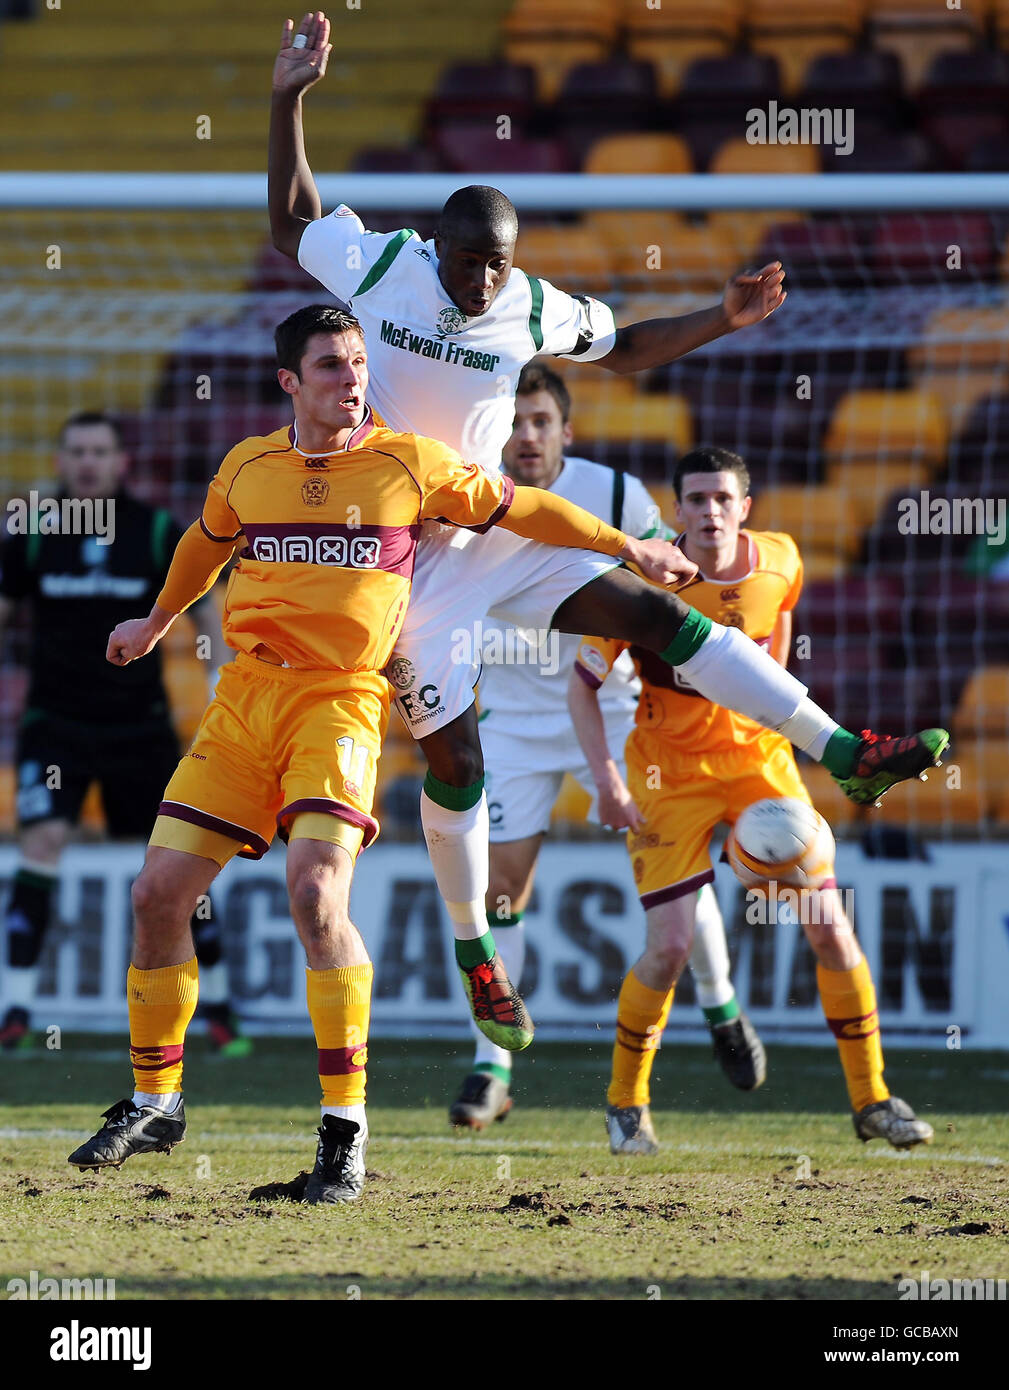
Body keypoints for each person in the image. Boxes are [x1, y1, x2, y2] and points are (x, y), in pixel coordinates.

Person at [268, 14, 949, 1007]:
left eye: (496, 265)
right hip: (408, 559)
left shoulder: (531, 305)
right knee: (454, 759)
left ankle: (842, 750)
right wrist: (288, 98)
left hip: (496, 521)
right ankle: (475, 950)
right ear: (438, 245)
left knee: (655, 617)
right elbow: (289, 224)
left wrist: (721, 317)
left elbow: (625, 346)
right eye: (468, 263)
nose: (482, 282)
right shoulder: (382, 266)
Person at [64, 305, 697, 1203]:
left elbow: (529, 510)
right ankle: (154, 1099)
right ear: (290, 381)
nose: (350, 378)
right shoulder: (248, 466)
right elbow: (205, 546)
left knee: (315, 893)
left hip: (341, 698)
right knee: (156, 894)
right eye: (328, 365)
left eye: (357, 362)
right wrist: (157, 620)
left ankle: (343, 1135)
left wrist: (626, 545)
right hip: (244, 697)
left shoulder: (406, 460)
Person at [568, 447, 936, 1154]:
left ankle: (873, 1100)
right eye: (695, 500)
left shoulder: (780, 560)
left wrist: (779, 721)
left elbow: (778, 639)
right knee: (670, 946)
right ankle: (625, 1105)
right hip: (664, 771)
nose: (709, 512)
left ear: (745, 507)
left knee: (829, 924)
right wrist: (607, 783)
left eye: (721, 499)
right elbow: (580, 686)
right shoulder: (640, 584)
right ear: (675, 512)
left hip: (757, 762)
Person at [451, 365, 765, 1130]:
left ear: (566, 431)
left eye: (539, 422)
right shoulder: (465, 495)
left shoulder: (618, 496)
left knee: (677, 866)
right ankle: (493, 1067)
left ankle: (720, 1006)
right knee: (498, 893)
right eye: (514, 423)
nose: (525, 437)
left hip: (617, 708)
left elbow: (668, 592)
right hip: (515, 721)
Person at [0, 412, 248, 1055]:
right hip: (54, 728)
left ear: (121, 463)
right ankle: (16, 1009)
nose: (87, 462)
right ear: (60, 461)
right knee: (42, 843)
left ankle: (219, 1009)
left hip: (140, 732)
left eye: (99, 451)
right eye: (76, 450)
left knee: (175, 869)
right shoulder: (32, 532)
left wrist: (223, 675)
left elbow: (207, 608)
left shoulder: (158, 530)